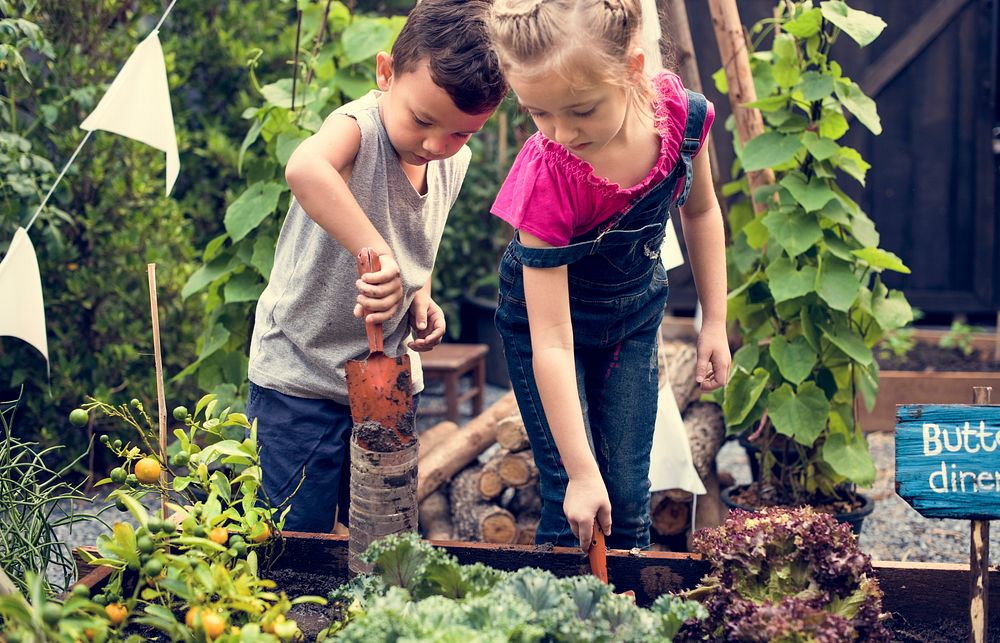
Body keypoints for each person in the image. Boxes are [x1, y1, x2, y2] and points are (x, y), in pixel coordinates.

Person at [246, 0, 507, 533]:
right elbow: (304, 167)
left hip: (383, 387)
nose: (438, 144)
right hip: (302, 379)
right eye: (423, 120)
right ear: (386, 73)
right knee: (297, 540)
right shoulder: (357, 128)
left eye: (462, 133)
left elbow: (418, 240)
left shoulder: (453, 159)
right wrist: (379, 253)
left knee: (380, 536)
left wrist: (419, 295)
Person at [487, 0, 731, 552]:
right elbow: (552, 339)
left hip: (632, 320)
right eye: (538, 113)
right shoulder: (548, 173)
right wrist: (578, 472)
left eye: (581, 110)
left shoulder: (684, 119)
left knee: (625, 494)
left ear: (634, 68)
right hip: (544, 333)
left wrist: (714, 320)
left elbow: (702, 211)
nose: (561, 132)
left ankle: (630, 616)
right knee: (572, 498)